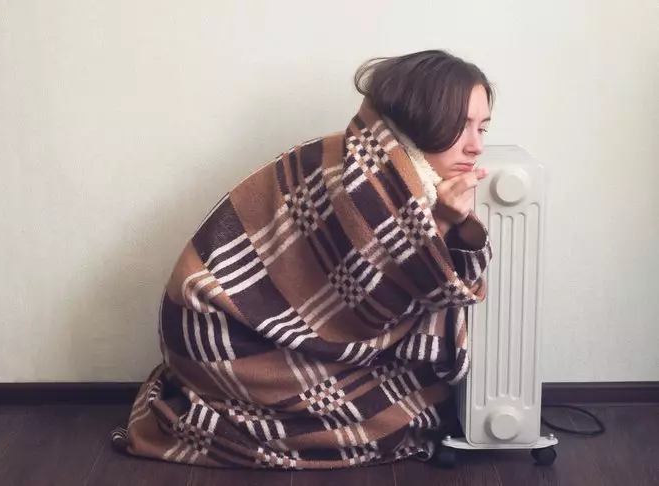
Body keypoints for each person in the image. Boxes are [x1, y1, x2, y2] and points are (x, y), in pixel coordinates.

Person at [112, 49, 494, 469]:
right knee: (393, 418)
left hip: (266, 327)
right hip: (220, 331)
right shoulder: (359, 176)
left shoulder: (395, 171)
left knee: (416, 396)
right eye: (461, 127)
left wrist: (439, 221)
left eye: (483, 127)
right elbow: (366, 308)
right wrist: (438, 222)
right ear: (423, 118)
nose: (476, 146)